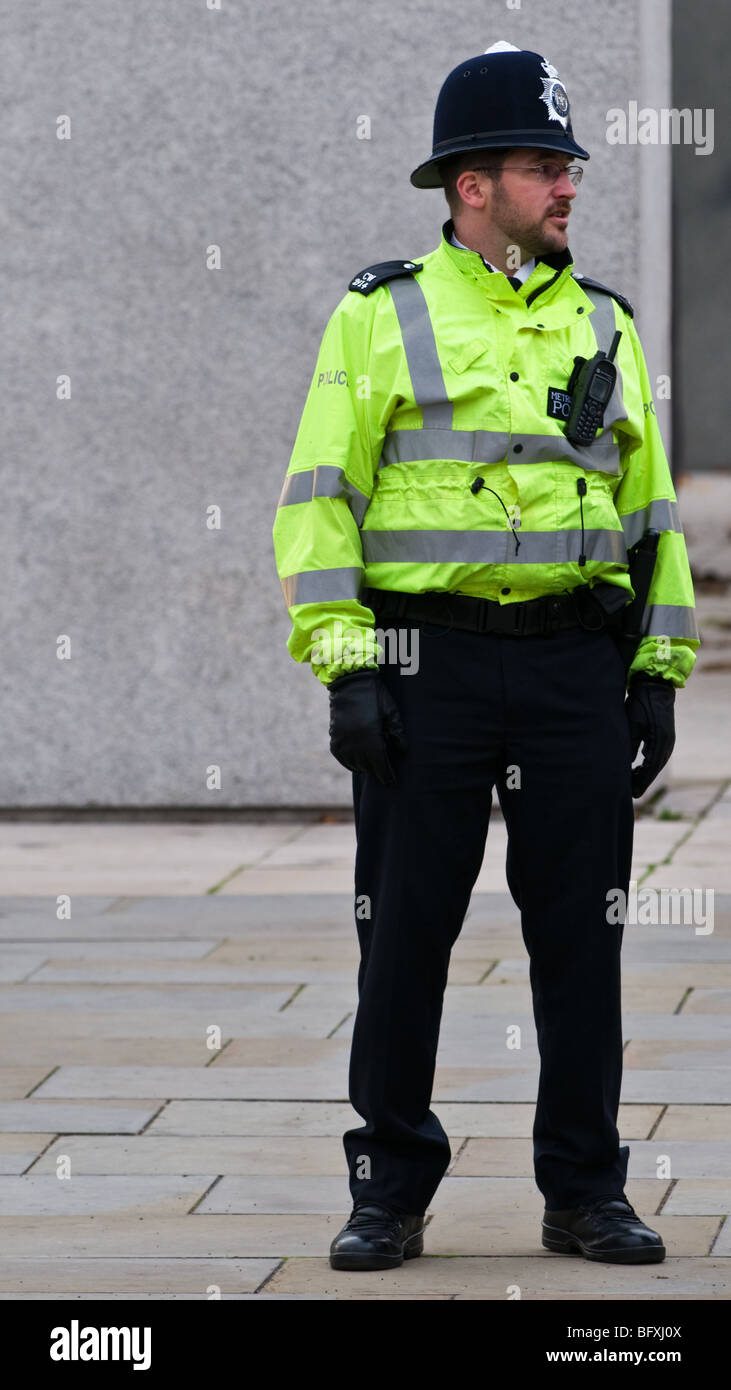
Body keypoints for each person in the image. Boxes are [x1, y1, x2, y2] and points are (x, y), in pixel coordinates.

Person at [272, 41, 699, 1271]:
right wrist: (348, 665)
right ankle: (389, 1189)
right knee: (402, 936)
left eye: (567, 163)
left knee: (583, 938)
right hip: (426, 669)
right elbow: (317, 499)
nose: (567, 183)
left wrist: (655, 676)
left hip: (572, 669)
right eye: (541, 164)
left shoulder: (605, 326)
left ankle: (584, 1190)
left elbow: (648, 512)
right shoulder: (381, 313)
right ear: (470, 184)